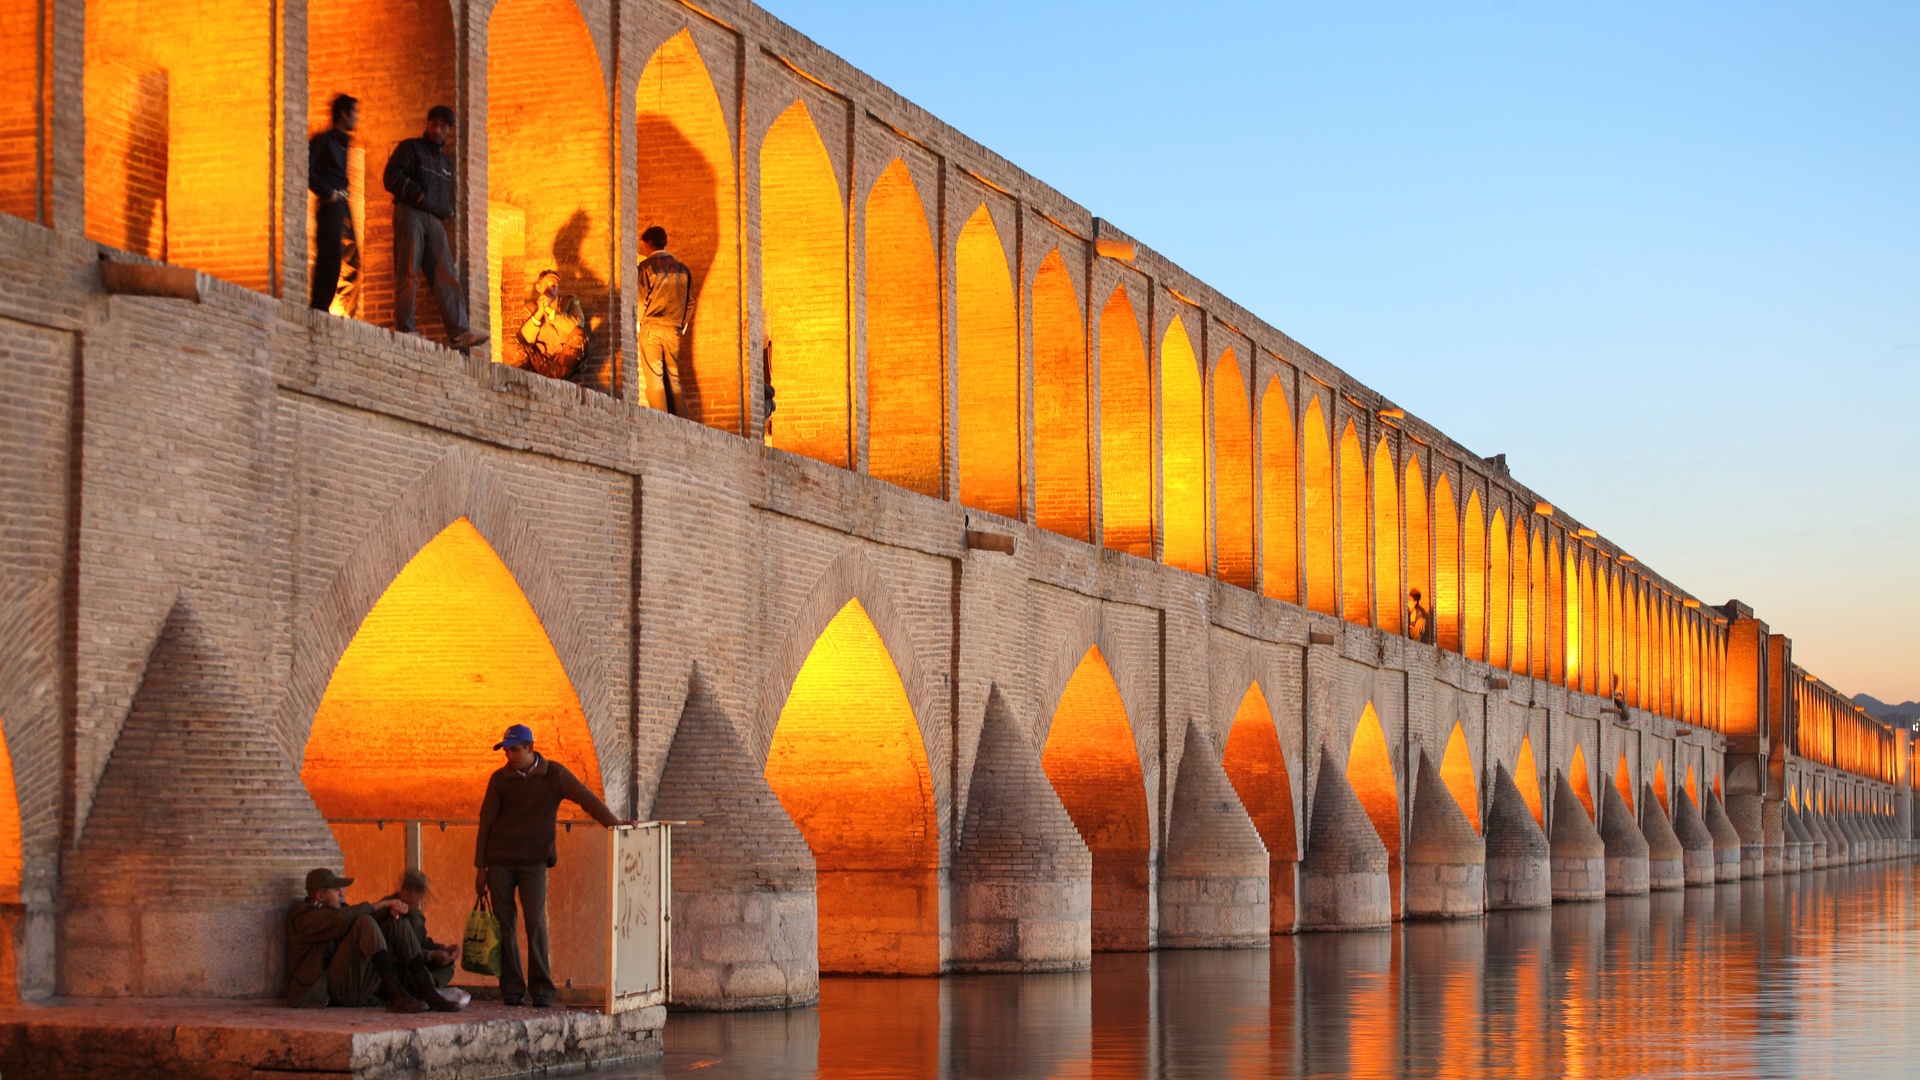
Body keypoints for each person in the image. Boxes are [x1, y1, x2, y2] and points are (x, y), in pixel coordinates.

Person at [475, 724, 632, 1007]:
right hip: (500, 862)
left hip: (534, 862)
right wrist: (480, 867)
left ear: (529, 748)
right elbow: (485, 822)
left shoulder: (554, 775)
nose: (508, 756)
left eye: (514, 750)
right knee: (505, 924)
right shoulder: (500, 779)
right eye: (506, 751)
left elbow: (588, 800)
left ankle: (542, 990)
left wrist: (615, 825)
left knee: (536, 923)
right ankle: (511, 990)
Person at [285, 867, 462, 1013]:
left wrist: (391, 914)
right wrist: (381, 905)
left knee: (397, 924)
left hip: (360, 986)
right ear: (321, 896)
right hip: (330, 992)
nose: (341, 893)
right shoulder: (304, 916)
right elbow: (339, 921)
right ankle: (397, 995)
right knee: (365, 922)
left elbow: (418, 939)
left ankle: (429, 993)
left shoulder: (341, 912)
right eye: (335, 889)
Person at [383, 105, 487, 350]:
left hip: (435, 220)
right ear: (428, 124)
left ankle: (459, 333)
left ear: (448, 130)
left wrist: (447, 209)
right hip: (410, 213)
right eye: (434, 124)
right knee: (408, 271)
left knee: (445, 274)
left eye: (443, 126)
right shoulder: (411, 148)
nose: (438, 129)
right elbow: (391, 177)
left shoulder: (444, 162)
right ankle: (406, 328)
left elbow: (445, 193)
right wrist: (417, 195)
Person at [309, 94, 360, 314]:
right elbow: (305, 169)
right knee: (329, 254)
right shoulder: (324, 141)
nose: (357, 118)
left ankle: (335, 309)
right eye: (355, 112)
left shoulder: (343, 143)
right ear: (343, 113)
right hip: (331, 204)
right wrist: (327, 192)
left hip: (343, 204)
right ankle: (319, 307)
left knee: (350, 259)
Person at [635, 226, 692, 414]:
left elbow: (641, 298)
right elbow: (689, 301)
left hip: (651, 326)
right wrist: (682, 324)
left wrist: (637, 323)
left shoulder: (645, 268)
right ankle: (682, 421)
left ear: (649, 243)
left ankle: (662, 421)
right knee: (674, 378)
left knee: (655, 378)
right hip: (674, 329)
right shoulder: (683, 269)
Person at [380, 868, 462, 994]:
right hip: (395, 966)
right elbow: (397, 951)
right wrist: (429, 956)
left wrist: (445, 950)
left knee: (448, 968)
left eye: (417, 890)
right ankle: (424, 986)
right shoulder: (389, 910)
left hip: (416, 962)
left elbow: (422, 941)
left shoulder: (415, 915)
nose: (412, 894)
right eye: (408, 889)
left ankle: (425, 985)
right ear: (401, 890)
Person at [514, 269, 589, 380]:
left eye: (554, 285)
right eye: (545, 285)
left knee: (579, 334)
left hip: (563, 360)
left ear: (559, 289)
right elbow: (524, 339)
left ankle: (559, 378)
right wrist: (539, 312)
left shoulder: (570, 302)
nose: (549, 289)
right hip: (539, 360)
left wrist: (550, 311)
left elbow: (577, 324)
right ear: (538, 287)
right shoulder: (530, 308)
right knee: (511, 344)